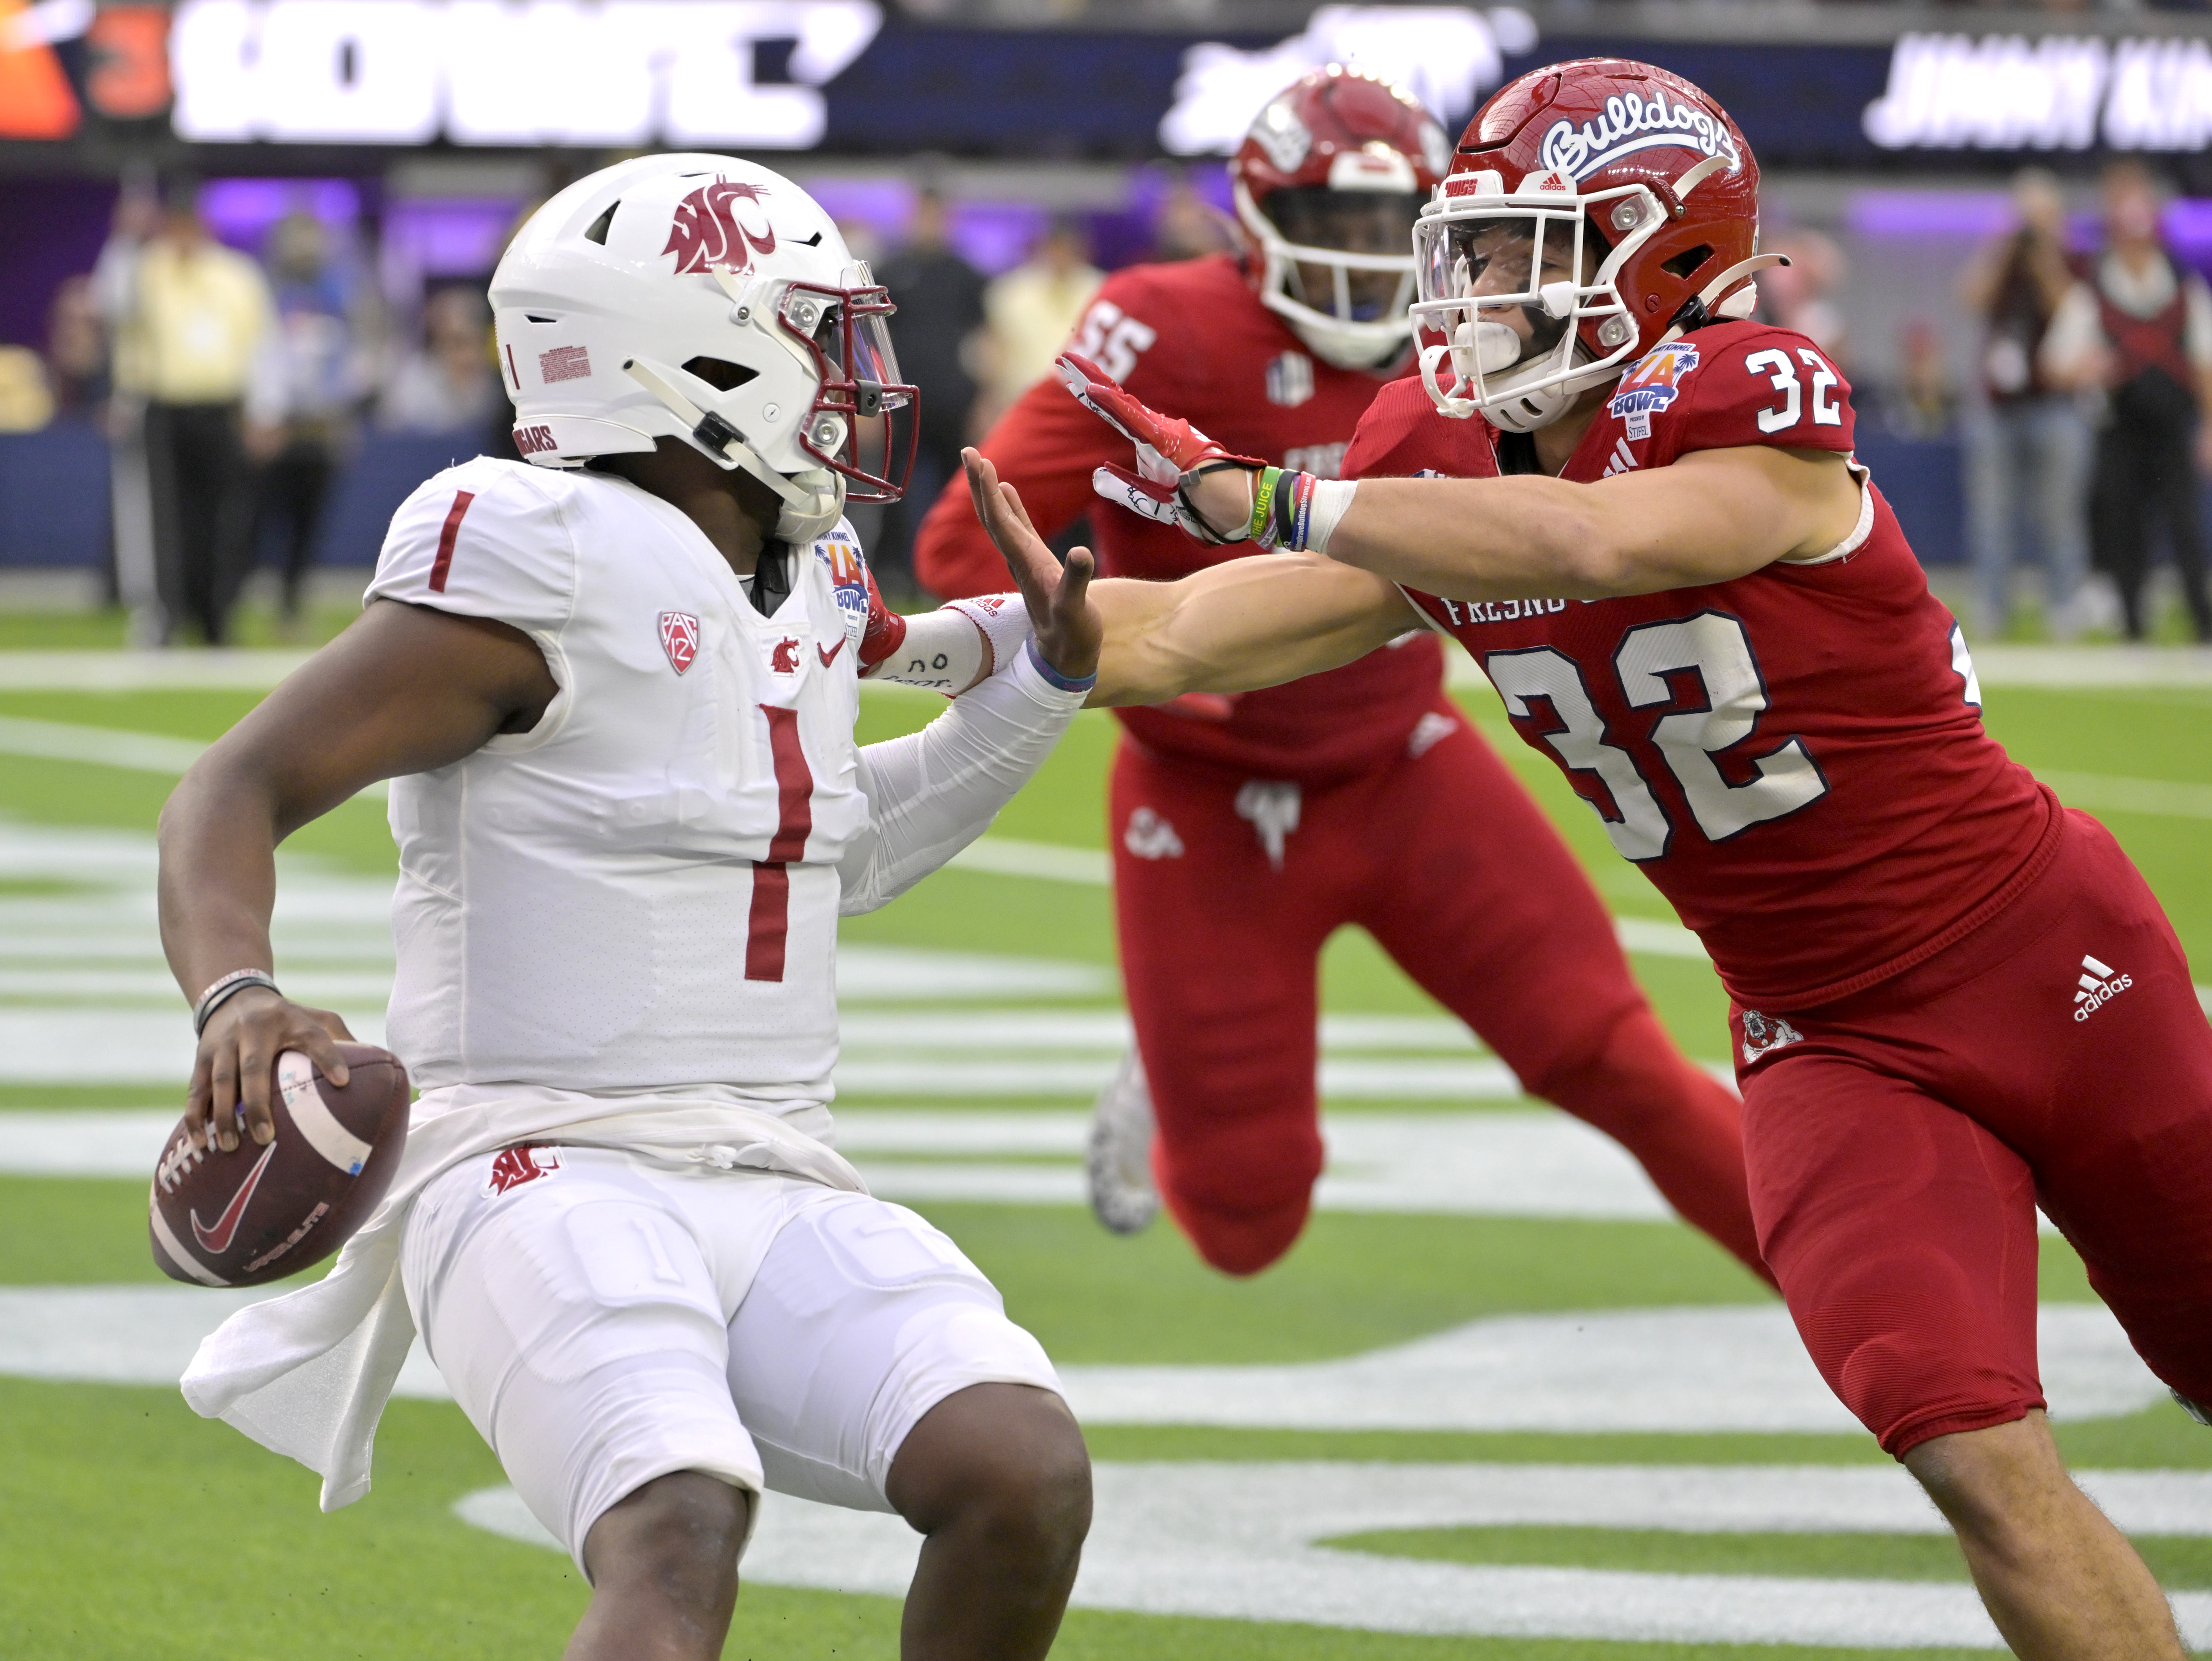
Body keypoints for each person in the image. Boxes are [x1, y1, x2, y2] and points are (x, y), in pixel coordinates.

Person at [969, 58, 2212, 1659]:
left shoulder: (1746, 399)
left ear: (1663, 254)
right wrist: (998, 635)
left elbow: (1599, 541)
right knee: (1969, 1455)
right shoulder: (1426, 453)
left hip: (2037, 961)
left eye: (1511, 248)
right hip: (1822, 1038)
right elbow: (1188, 628)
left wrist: (1285, 496)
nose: (1471, 286)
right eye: (1467, 248)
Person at [163, 154, 1099, 1661]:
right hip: (535, 1160)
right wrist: (237, 992)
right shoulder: (531, 552)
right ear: (688, 356)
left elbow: (837, 848)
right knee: (678, 1526)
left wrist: (1038, 692)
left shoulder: (801, 575)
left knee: (1022, 1473)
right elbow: (234, 784)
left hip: (768, 1163)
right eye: (811, 332)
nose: (853, 373)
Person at [918, 65, 1767, 1283]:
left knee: (1612, 1053)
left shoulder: (1480, 346)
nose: (1371, 256)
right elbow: (968, 544)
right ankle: (1164, 1069)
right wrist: (1144, 646)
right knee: (1247, 1223)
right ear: (1256, 220)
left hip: (1404, 763)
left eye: (1393, 223)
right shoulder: (1164, 325)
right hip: (1208, 797)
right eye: (1334, 221)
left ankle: (1865, 1296)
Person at [2043, 161, 2212, 645]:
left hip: (2172, 425)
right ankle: (2133, 626)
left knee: (2185, 525)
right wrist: (2085, 369)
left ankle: (2202, 623)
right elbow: (2054, 362)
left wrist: (2207, 427)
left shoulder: (2182, 285)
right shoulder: (2093, 289)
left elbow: (2203, 362)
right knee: (2123, 525)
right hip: (2119, 426)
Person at [106, 178, 275, 645]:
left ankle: (218, 616)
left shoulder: (236, 275)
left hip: (222, 408)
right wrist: (125, 239)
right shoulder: (145, 268)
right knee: (165, 519)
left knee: (224, 517)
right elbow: (114, 304)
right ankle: (165, 614)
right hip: (163, 407)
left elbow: (263, 345)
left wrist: (264, 410)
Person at [1958, 169, 2089, 641]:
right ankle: (1993, 606)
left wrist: (2046, 254)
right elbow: (1971, 298)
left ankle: (2064, 604)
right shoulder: (2002, 260)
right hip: (1997, 406)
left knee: (2058, 512)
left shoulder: (2072, 259)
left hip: (2055, 404)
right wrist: (2002, 244)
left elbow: (2068, 309)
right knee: (1992, 513)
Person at [248, 209, 371, 628]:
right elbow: (259, 354)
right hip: (278, 423)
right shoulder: (268, 289)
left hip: (321, 425)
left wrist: (346, 419)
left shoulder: (341, 289)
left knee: (308, 525)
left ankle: (291, 605)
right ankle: (234, 600)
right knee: (257, 520)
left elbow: (355, 358)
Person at [874, 184, 986, 599]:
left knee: (954, 494)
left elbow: (984, 340)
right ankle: (891, 573)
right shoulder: (890, 271)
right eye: (922, 214)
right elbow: (871, 338)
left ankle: (950, 574)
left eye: (936, 215)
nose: (929, 223)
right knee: (892, 489)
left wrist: (983, 400)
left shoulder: (966, 275)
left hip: (952, 400)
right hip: (898, 401)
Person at [975, 218, 1102, 431]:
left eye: (1067, 247)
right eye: (1055, 247)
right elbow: (993, 353)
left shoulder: (1100, 290)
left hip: (1086, 410)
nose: (1061, 255)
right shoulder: (1011, 292)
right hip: (1020, 405)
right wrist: (988, 400)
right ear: (1043, 247)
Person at [376, 285, 503, 436]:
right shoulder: (410, 389)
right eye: (458, 343)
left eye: (477, 343)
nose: (469, 355)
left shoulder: (496, 390)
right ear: (439, 341)